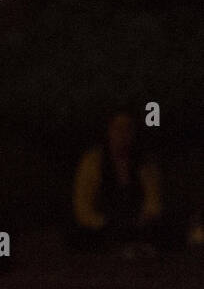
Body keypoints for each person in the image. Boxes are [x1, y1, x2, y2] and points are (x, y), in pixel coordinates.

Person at [70, 109, 164, 256]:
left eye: (128, 128)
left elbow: (153, 199)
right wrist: (105, 223)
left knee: (162, 229)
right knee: (79, 234)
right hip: (104, 222)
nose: (123, 134)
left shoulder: (144, 162)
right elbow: (83, 205)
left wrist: (144, 219)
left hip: (136, 221)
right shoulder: (93, 161)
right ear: (109, 131)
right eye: (118, 128)